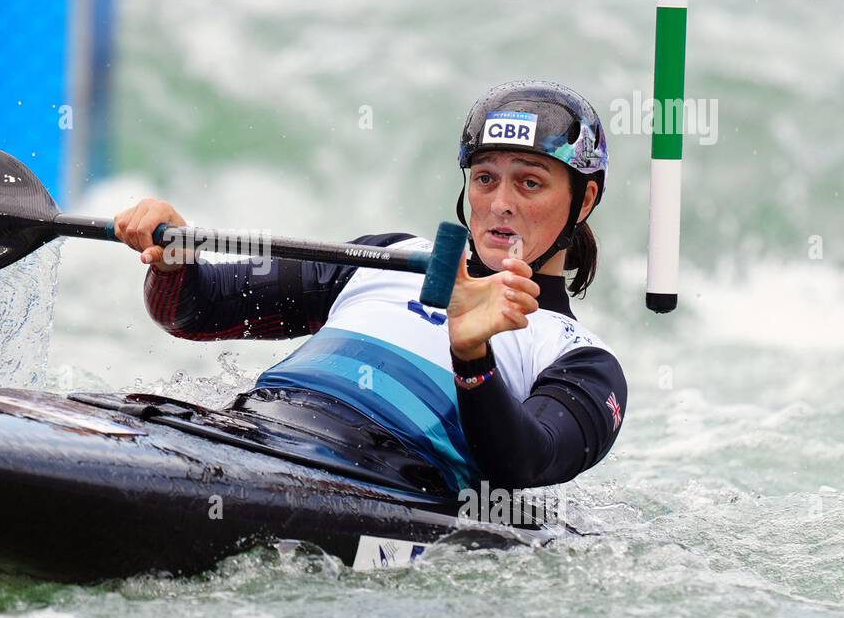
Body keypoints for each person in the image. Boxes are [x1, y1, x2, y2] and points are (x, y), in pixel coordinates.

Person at [114, 81, 627, 494]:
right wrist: (173, 262)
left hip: (366, 478)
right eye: (485, 177)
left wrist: (471, 355)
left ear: (583, 202)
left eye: (530, 182)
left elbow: (521, 467)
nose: (500, 203)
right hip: (239, 429)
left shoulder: (581, 360)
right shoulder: (390, 255)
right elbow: (194, 310)